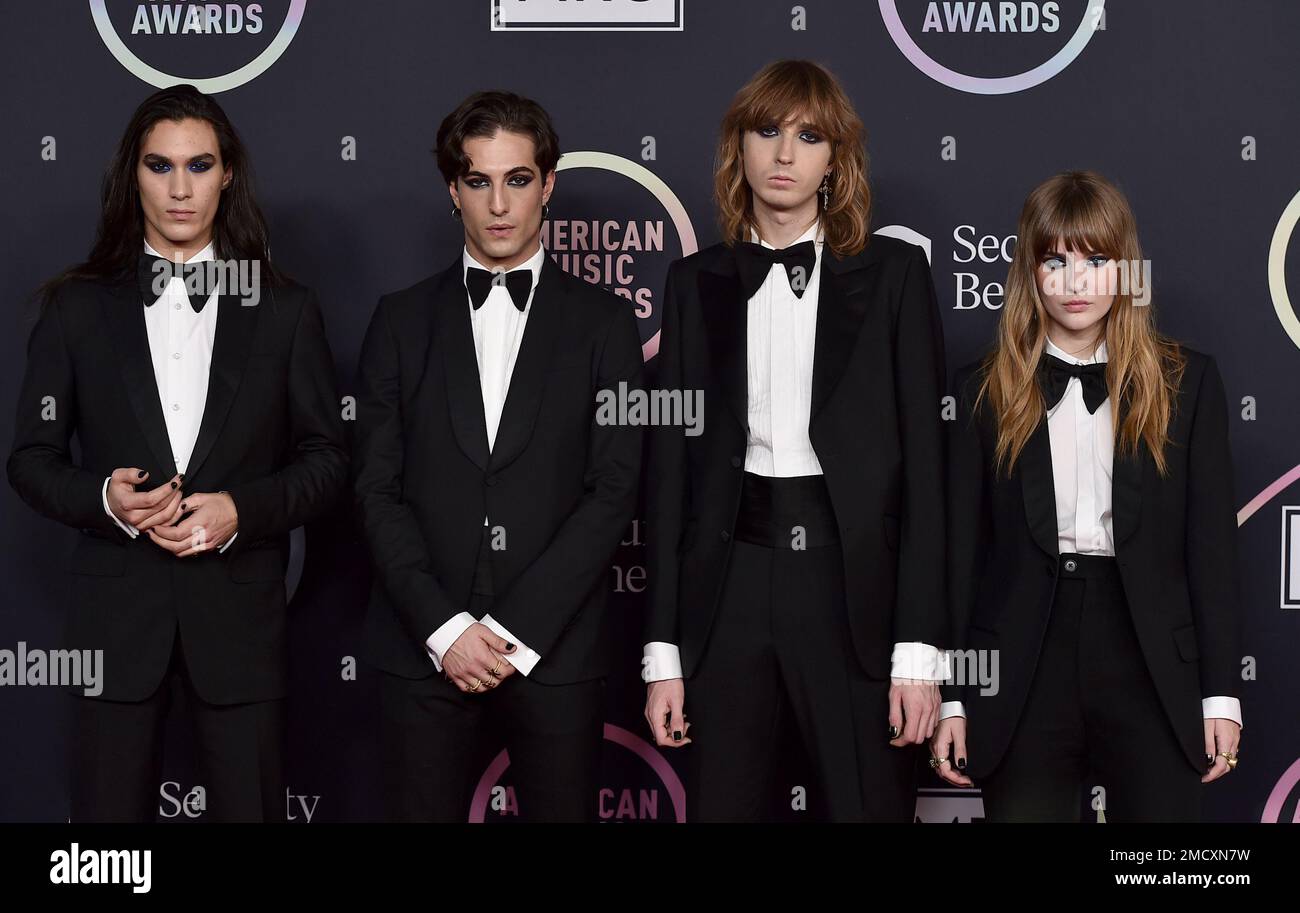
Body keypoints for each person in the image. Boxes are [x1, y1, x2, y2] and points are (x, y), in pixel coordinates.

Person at [7, 84, 348, 822]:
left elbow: (328, 459)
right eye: (161, 166)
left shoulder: (287, 310)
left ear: (228, 174)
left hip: (242, 628)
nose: (181, 188)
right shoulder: (77, 307)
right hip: (114, 628)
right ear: (134, 174)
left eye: (200, 165)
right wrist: (105, 500)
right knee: (105, 856)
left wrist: (241, 509)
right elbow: (30, 458)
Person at [641, 60, 949, 821]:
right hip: (730, 584)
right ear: (737, 148)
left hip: (854, 596)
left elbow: (928, 480)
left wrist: (917, 653)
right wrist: (662, 655)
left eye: (809, 136)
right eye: (767, 131)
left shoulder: (896, 276)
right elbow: (670, 479)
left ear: (835, 160)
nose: (785, 155)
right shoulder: (693, 284)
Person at [353, 91, 644, 822]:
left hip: (556, 651)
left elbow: (613, 488)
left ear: (548, 184)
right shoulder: (398, 320)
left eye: (517, 179)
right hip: (423, 648)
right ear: (453, 190)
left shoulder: (605, 324)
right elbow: (375, 487)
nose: (500, 203)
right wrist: (447, 629)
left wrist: (514, 634)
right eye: (478, 181)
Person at [931, 170, 1244, 822]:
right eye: (1056, 260)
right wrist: (956, 697)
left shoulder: (1188, 384)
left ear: (1126, 270)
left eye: (1096, 260)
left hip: (1151, 661)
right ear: (1029, 272)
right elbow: (961, 558)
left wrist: (1220, 696)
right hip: (1021, 663)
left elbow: (1211, 554)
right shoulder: (978, 392)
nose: (1075, 284)